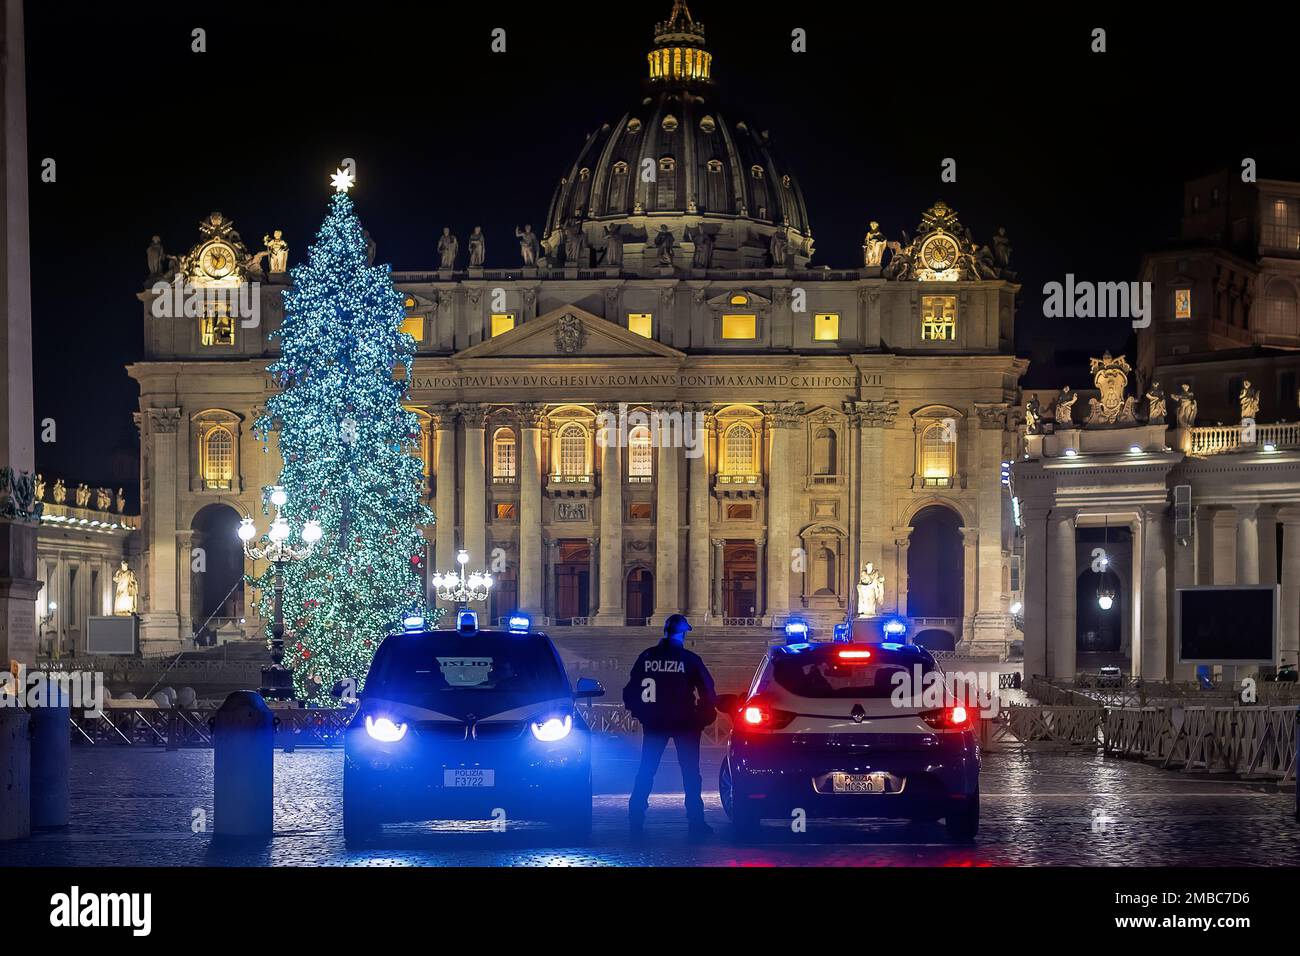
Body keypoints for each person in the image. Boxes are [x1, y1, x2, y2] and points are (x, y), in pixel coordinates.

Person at [623, 613, 718, 837]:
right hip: (685, 722)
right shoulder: (690, 659)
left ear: (665, 632)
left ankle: (635, 819)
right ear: (684, 632)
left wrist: (642, 714)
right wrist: (703, 718)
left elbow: (630, 691)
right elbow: (708, 691)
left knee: (646, 770)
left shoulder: (646, 656)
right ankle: (696, 822)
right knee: (691, 773)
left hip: (655, 721)